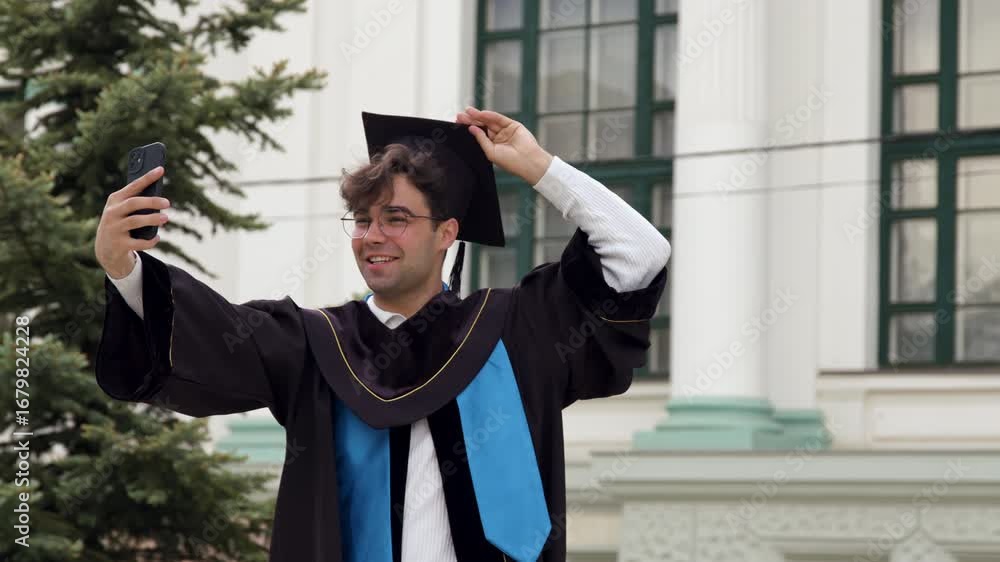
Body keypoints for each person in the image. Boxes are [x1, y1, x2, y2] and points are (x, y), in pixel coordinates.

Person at [93, 107, 671, 562]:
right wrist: (124, 266)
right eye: (364, 220)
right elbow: (207, 331)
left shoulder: (513, 333)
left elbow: (639, 253)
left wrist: (540, 167)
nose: (373, 236)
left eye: (396, 219)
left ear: (447, 233)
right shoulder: (316, 344)